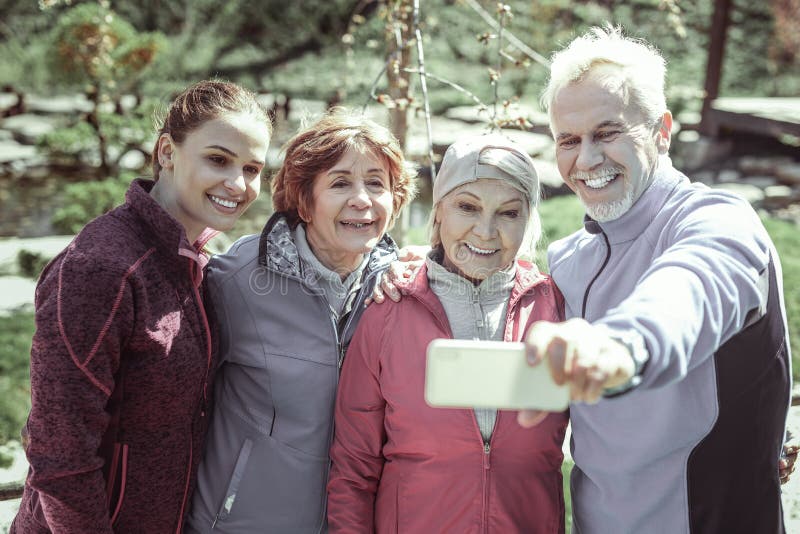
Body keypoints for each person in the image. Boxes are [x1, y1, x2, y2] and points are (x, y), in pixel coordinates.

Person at [519, 26, 792, 533]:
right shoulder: (565, 263)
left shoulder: (720, 221)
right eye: (568, 141)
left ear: (662, 131)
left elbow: (688, 292)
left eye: (608, 133)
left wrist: (618, 347)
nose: (587, 159)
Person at [11, 80, 272, 533]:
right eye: (218, 159)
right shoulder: (102, 268)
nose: (238, 183)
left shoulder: (200, 261)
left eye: (252, 167)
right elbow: (60, 455)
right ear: (167, 152)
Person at [185, 109, 417, 533]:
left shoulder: (404, 290)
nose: (362, 199)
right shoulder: (236, 282)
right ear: (304, 200)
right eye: (341, 182)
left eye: (376, 184)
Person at [327, 133, 570, 533]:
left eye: (509, 213)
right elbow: (353, 467)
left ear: (528, 220)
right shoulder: (388, 309)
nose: (486, 231)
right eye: (467, 207)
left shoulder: (556, 308)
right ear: (438, 211)